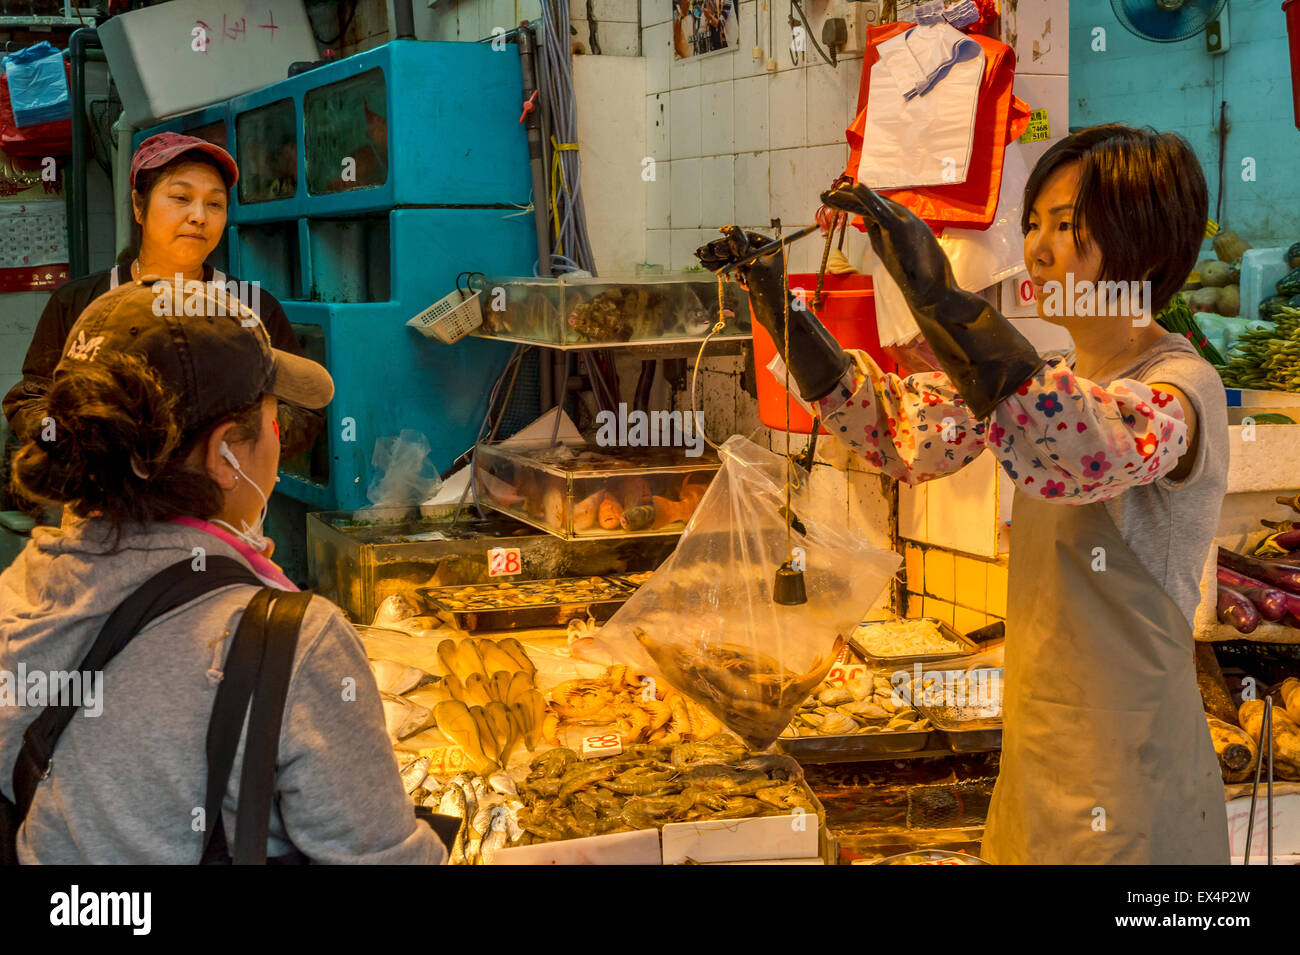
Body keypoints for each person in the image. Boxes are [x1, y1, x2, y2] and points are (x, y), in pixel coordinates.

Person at [699, 124, 1229, 864]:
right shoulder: (1050, 377)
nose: (1038, 249)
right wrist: (784, 316)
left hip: (1136, 792)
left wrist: (941, 297)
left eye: (1067, 226)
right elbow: (898, 430)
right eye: (1033, 222)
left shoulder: (1180, 389)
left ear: (1142, 239)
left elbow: (1084, 444)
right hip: (1037, 776)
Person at [0, 278, 445, 864]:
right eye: (272, 417)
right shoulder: (289, 640)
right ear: (224, 455)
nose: (281, 438)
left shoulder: (22, 584)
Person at [2, 132, 313, 454]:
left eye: (215, 204)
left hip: (222, 496)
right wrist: (82, 441)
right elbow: (31, 397)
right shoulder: (80, 302)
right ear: (139, 206)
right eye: (181, 198)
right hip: (106, 497)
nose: (198, 216)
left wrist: (238, 436)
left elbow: (304, 405)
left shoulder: (251, 307)